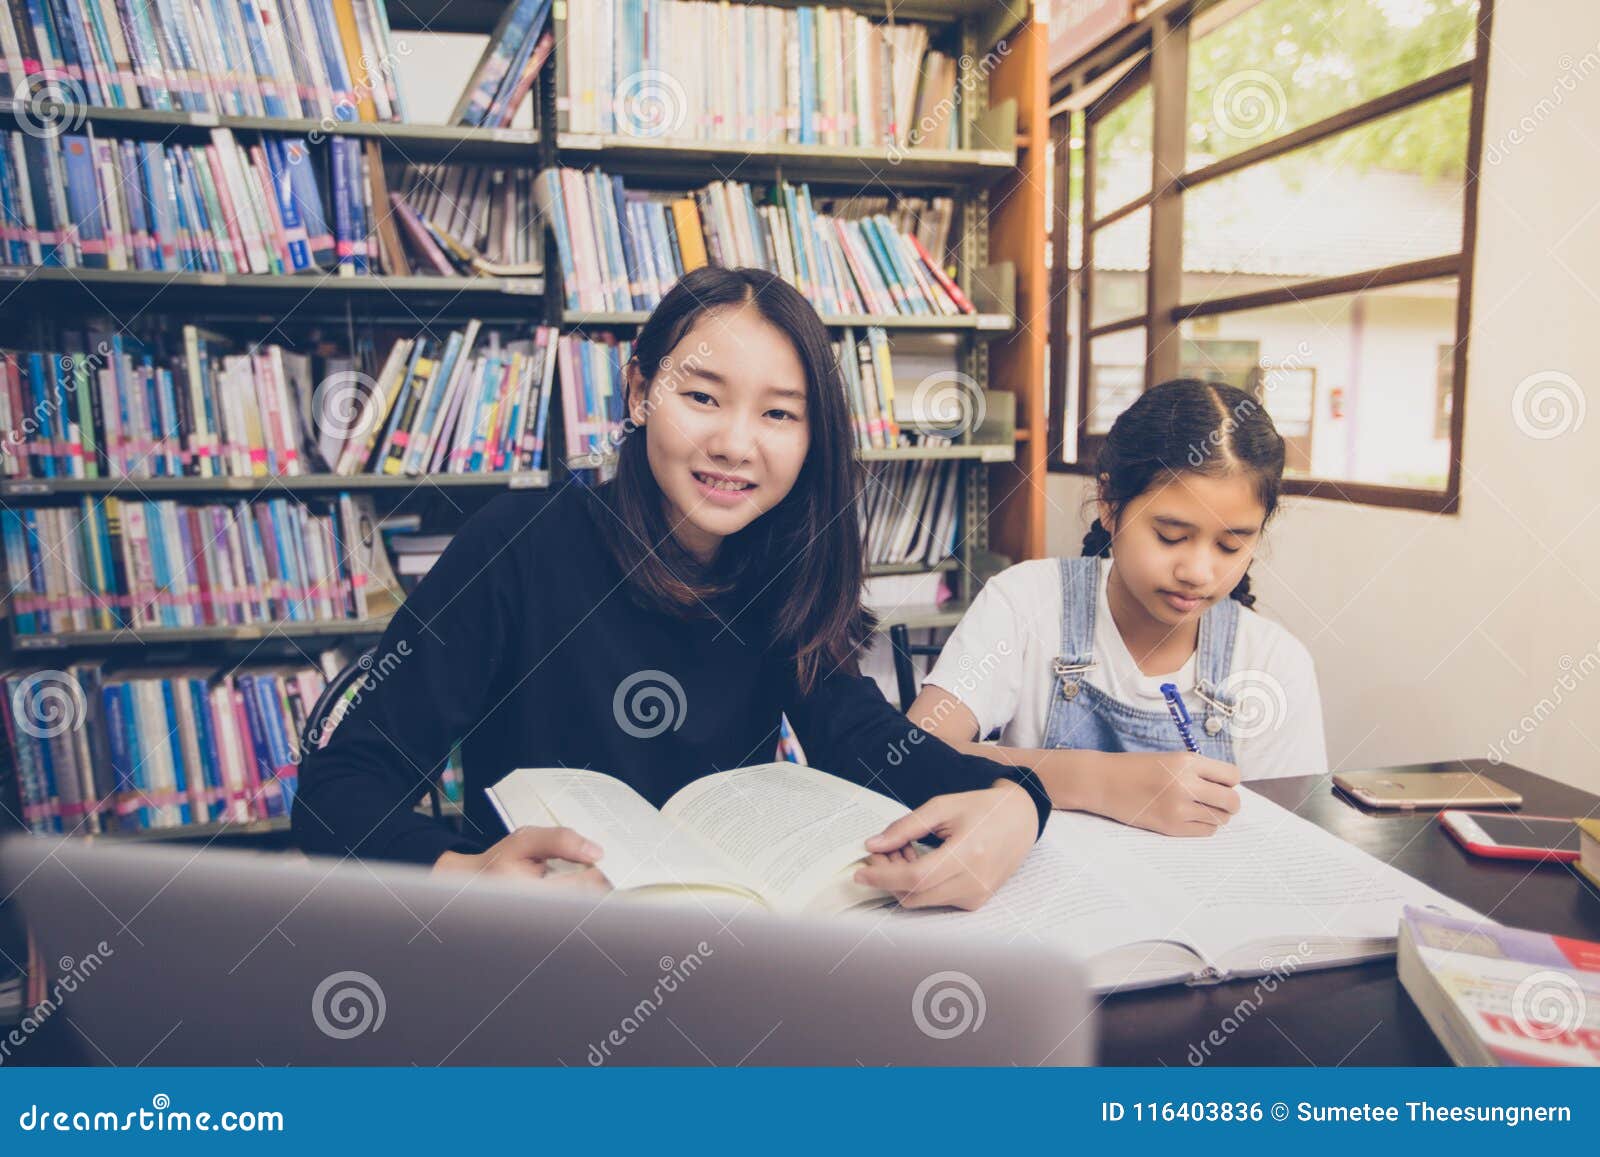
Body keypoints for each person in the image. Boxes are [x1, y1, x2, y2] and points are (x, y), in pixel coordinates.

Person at [293, 266, 1049, 909]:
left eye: (779, 412)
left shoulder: (781, 560)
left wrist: (1019, 803)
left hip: (721, 940)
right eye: (702, 397)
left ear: (813, 436)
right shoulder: (518, 543)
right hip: (544, 940)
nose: (734, 442)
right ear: (638, 393)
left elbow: (859, 737)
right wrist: (467, 875)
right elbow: (339, 785)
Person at [907, 378, 1328, 837]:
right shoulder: (1028, 601)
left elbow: (1284, 836)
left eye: (1231, 545)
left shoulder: (1273, 663)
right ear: (1109, 505)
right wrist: (1099, 782)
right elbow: (915, 751)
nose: (1198, 571)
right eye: (1170, 536)